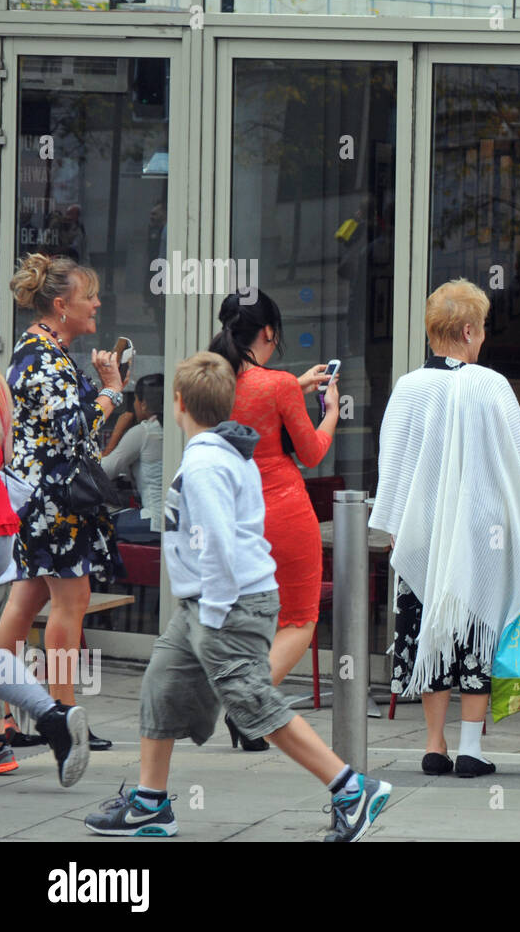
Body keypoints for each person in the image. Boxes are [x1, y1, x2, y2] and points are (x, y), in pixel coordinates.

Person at [84, 352, 390, 840]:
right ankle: (149, 804)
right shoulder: (225, 451)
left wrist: (215, 611)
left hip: (223, 603)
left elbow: (219, 545)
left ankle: (352, 790)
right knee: (160, 686)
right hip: (206, 602)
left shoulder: (206, 461)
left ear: (178, 403)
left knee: (253, 703)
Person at [370, 279, 520, 778]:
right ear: (468, 330)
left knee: (430, 627)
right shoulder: (493, 386)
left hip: (422, 529)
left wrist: (396, 524)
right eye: (483, 328)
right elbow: (517, 466)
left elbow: (394, 461)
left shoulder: (408, 388)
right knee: (477, 627)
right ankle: (471, 747)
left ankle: (433, 743)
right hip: (483, 533)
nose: (484, 337)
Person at [0, 253, 124, 752]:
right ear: (60, 304)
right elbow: (75, 430)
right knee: (71, 601)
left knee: (25, 602)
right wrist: (113, 392)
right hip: (54, 500)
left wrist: (102, 386)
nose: (95, 303)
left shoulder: (42, 350)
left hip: (40, 497)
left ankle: (10, 720)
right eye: (87, 296)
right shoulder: (41, 355)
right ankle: (64, 716)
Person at [207, 289, 338, 749]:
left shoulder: (211, 380)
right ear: (268, 332)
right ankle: (248, 706)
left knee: (249, 616)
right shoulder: (276, 384)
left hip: (231, 514)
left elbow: (252, 401)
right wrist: (332, 414)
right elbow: (311, 452)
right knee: (299, 620)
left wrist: (292, 385)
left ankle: (243, 703)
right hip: (282, 510)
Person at [101, 373, 165, 544]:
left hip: (154, 520)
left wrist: (117, 431)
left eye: (136, 400)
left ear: (143, 404)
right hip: (170, 518)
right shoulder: (170, 429)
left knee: (98, 524)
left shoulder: (144, 431)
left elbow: (104, 471)